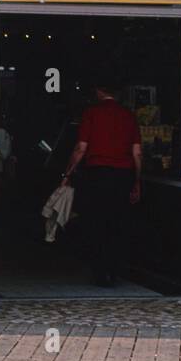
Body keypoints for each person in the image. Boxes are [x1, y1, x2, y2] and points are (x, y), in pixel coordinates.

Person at [61, 84, 142, 287]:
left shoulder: (92, 113)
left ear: (98, 91)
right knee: (117, 224)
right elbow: (137, 153)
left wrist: (67, 174)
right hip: (123, 175)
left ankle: (99, 272)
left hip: (96, 174)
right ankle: (113, 270)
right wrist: (137, 181)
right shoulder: (128, 116)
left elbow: (81, 148)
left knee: (96, 223)